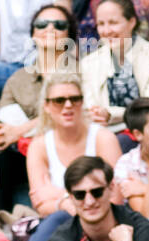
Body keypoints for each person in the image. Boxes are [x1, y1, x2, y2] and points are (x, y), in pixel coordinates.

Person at [0, 4, 79, 154]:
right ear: (33, 34)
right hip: (21, 152)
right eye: (41, 24)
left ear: (69, 36)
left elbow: (79, 116)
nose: (50, 29)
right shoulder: (18, 79)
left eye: (59, 25)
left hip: (69, 144)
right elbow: (3, 119)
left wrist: (20, 130)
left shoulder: (83, 72)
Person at [25, 73, 122, 218]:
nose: (68, 105)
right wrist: (64, 204)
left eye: (75, 99)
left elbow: (116, 198)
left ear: (82, 102)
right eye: (59, 101)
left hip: (105, 221)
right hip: (61, 223)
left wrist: (60, 196)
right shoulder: (39, 146)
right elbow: (40, 205)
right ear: (46, 106)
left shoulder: (103, 138)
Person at [79, 0, 149, 135]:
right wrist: (97, 115)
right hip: (101, 133)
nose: (107, 30)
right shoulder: (88, 63)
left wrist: (110, 114)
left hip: (145, 133)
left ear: (132, 22)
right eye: (101, 24)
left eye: (113, 22)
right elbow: (90, 108)